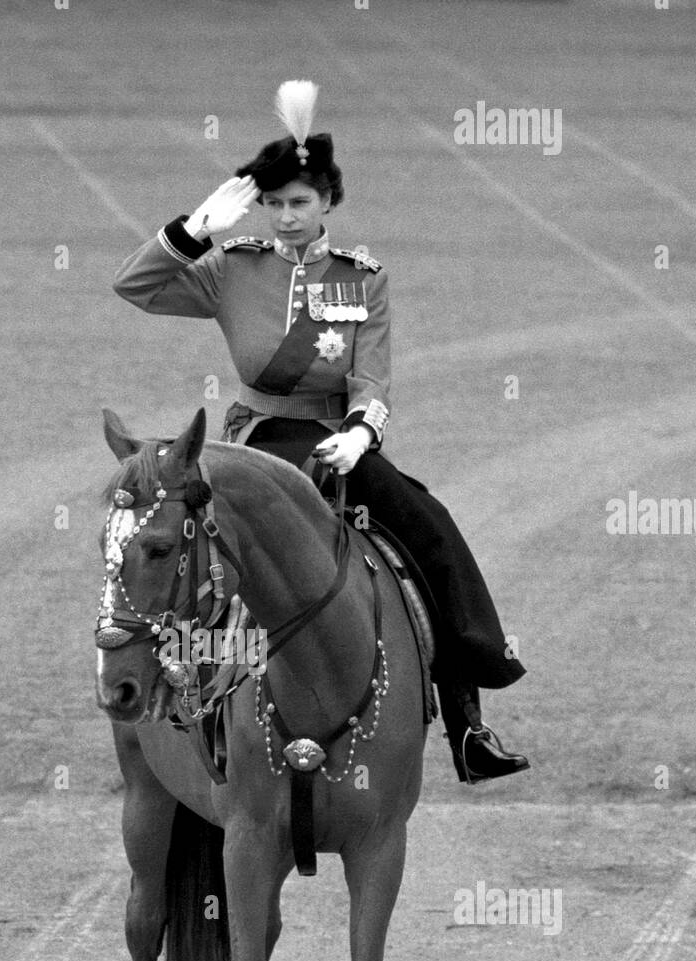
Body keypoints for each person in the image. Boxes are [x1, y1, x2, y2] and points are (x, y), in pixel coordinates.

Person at [113, 80, 529, 784]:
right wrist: (193, 231)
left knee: (428, 527)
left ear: (328, 202)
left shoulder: (360, 279)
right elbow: (136, 287)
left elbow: (371, 378)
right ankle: (193, 708)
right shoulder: (231, 267)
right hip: (256, 447)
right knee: (204, 555)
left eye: (297, 203)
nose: (284, 216)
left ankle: (466, 721)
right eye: (272, 203)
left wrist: (362, 435)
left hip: (337, 443)